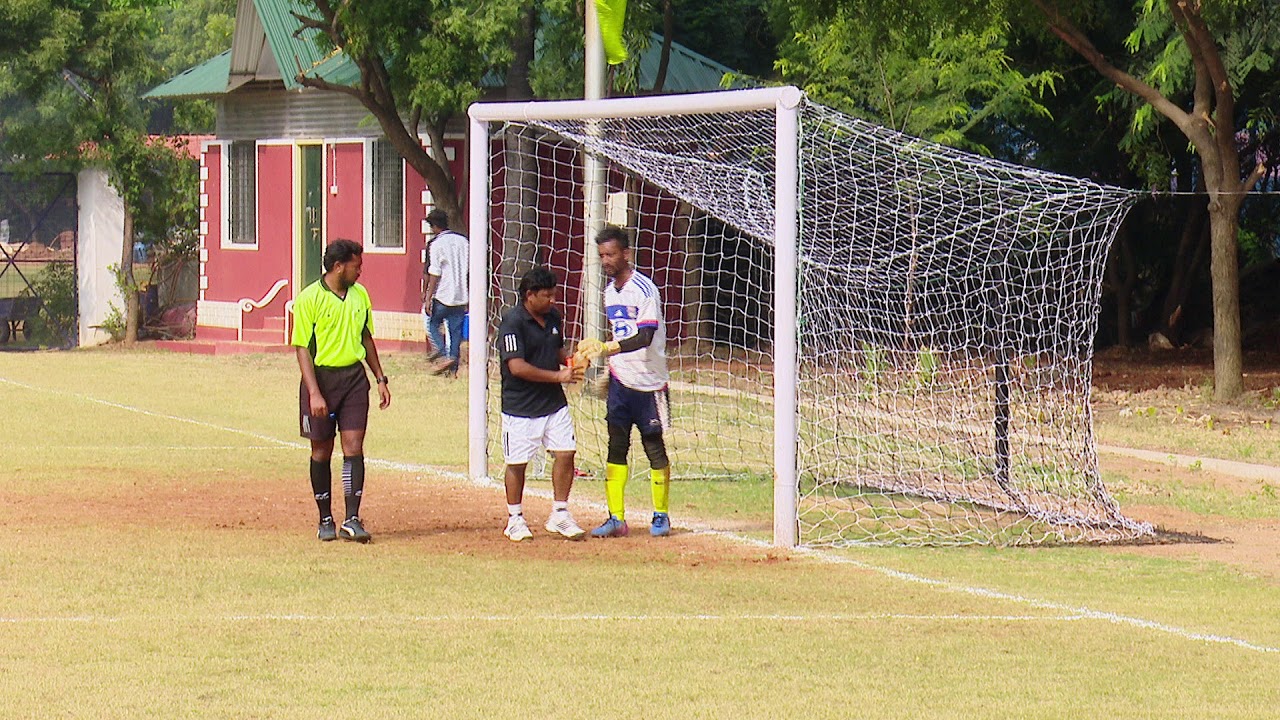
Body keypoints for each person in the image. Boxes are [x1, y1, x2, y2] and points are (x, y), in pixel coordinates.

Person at [292, 239, 392, 543]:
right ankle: (325, 518)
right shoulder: (309, 298)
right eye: (356, 265)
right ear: (339, 266)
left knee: (353, 445)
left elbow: (366, 337)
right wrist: (314, 393)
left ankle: (351, 519)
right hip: (321, 380)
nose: (360, 271)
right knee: (321, 451)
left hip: (353, 380)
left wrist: (380, 378)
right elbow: (302, 349)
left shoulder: (360, 295)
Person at [580, 225, 673, 538]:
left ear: (626, 254)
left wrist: (607, 348)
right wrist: (606, 358)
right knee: (616, 447)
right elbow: (622, 333)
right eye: (602, 255)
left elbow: (645, 336)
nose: (606, 260)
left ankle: (661, 515)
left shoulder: (645, 290)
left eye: (611, 254)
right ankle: (616, 518)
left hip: (650, 383)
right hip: (620, 381)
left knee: (653, 446)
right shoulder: (609, 292)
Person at [496, 266, 588, 542]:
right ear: (529, 295)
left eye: (553, 295)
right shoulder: (512, 322)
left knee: (566, 453)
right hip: (520, 406)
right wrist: (558, 376)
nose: (552, 300)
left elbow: (555, 348)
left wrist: (572, 361)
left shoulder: (553, 317)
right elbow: (517, 366)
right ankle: (515, 519)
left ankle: (560, 513)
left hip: (553, 403)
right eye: (546, 296)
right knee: (517, 463)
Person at [423, 208, 468, 376]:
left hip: (443, 294)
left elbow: (435, 272)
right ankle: (453, 369)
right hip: (461, 295)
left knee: (432, 323)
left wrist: (428, 297)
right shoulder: (463, 241)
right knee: (455, 332)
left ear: (434, 226)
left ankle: (442, 352)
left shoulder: (436, 244)